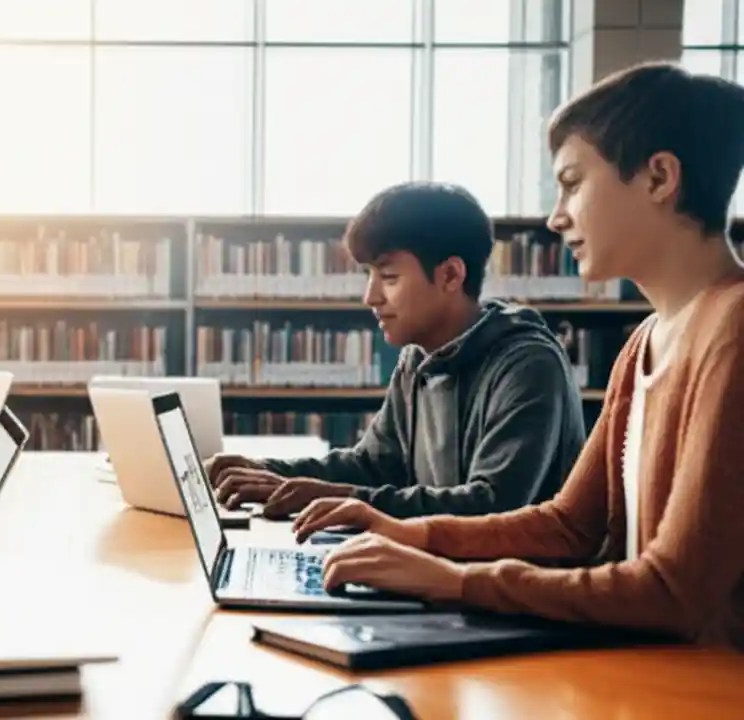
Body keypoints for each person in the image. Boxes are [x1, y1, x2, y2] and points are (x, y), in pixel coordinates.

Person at [292, 62, 744, 649]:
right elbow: (568, 526)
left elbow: (672, 591)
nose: (557, 217)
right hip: (640, 670)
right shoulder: (644, 342)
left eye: (573, 182)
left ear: (659, 177)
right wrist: (411, 532)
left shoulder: (732, 330)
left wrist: (455, 581)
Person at [207, 182, 586, 520]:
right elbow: (374, 465)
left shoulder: (528, 366)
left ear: (451, 275)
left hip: (505, 589)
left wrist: (344, 500)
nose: (370, 297)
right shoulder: (418, 356)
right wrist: (268, 472)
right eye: (369, 276)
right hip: (435, 569)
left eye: (388, 277)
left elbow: (492, 505)